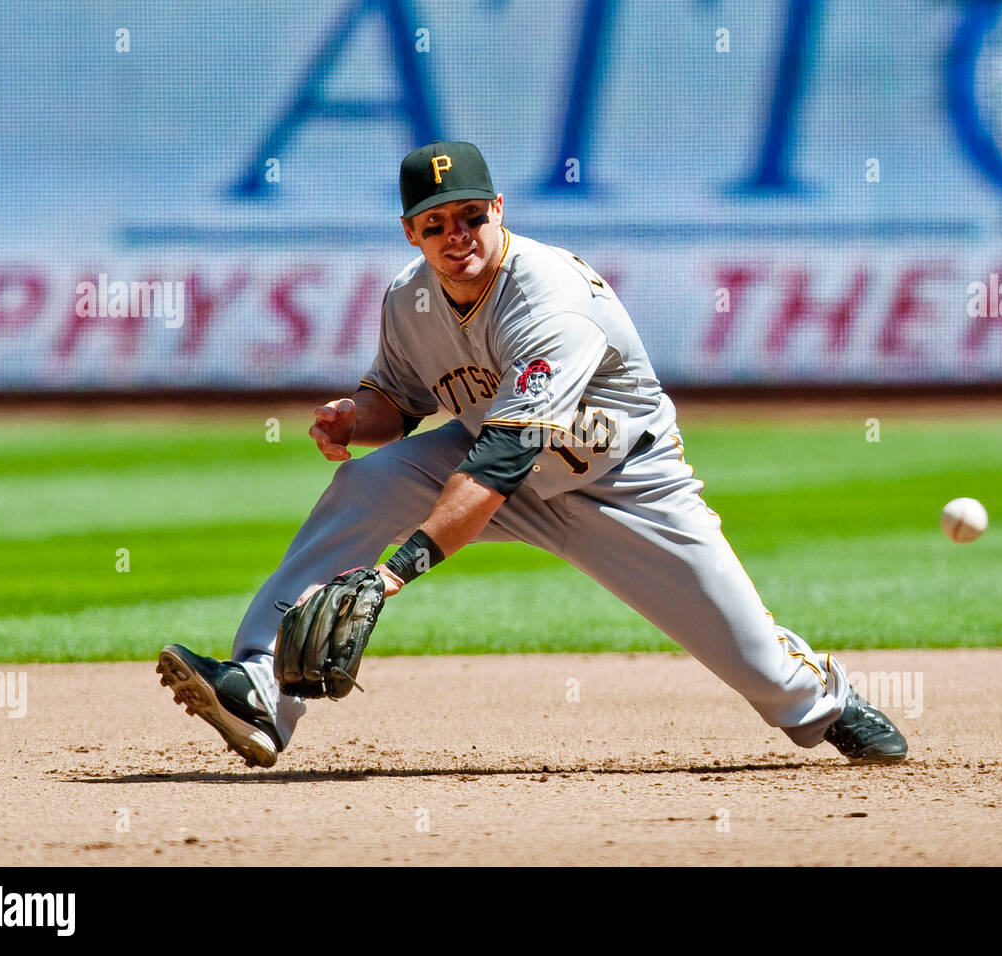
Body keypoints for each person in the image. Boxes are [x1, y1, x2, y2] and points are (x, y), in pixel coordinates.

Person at [157, 141, 908, 769]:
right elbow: (402, 400)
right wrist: (360, 416)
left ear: (499, 211)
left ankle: (825, 703)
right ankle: (259, 687)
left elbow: (499, 466)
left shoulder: (549, 298)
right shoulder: (409, 300)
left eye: (472, 215)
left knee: (755, 660)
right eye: (436, 222)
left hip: (623, 482)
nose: (458, 234)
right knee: (368, 484)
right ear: (410, 232)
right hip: (492, 457)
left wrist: (390, 576)